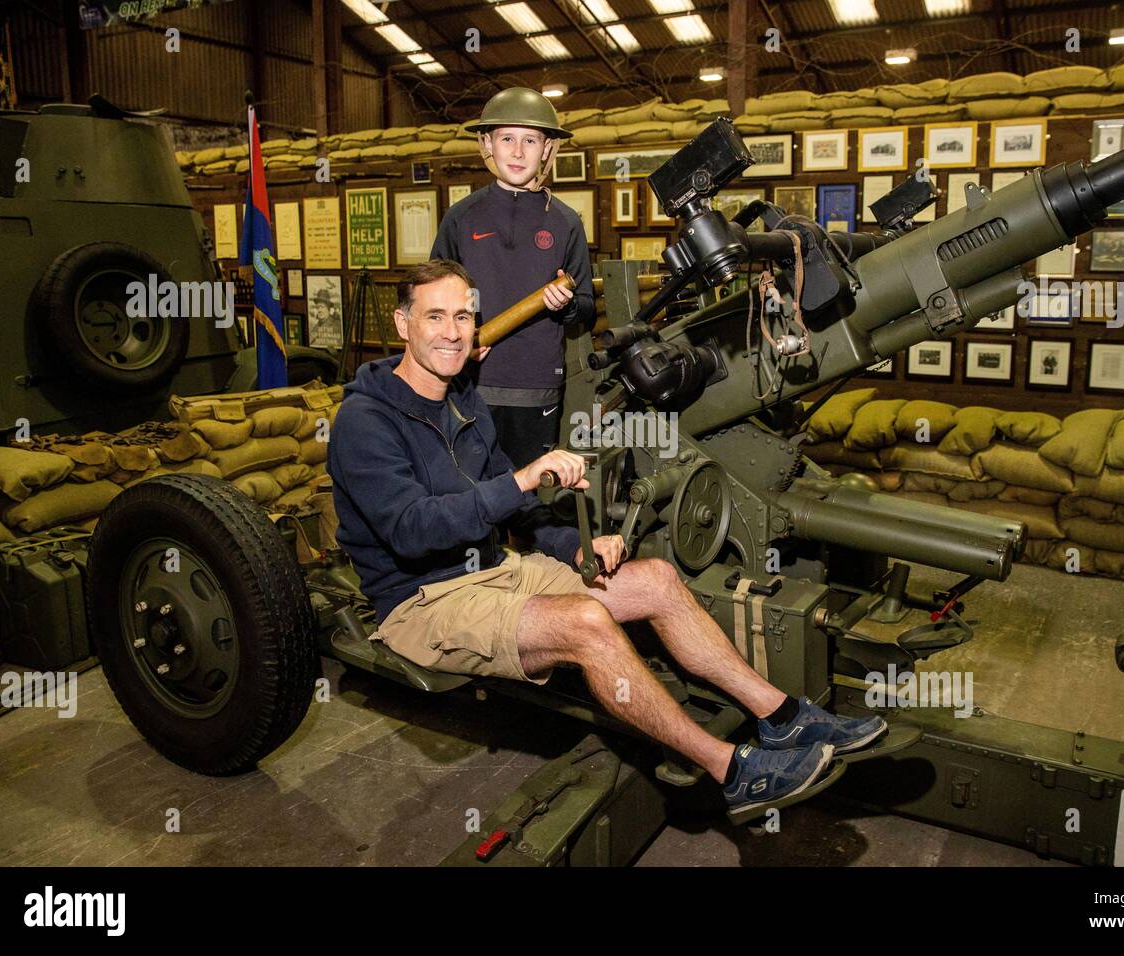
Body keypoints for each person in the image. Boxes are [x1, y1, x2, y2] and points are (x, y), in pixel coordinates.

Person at [327, 259, 887, 818]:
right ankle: (731, 769)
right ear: (403, 324)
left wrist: (573, 544)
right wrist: (521, 478)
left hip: (495, 567)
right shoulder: (364, 421)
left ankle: (784, 717)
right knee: (588, 623)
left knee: (657, 580)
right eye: (434, 317)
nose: (451, 331)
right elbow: (412, 531)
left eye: (463, 317)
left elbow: (519, 510)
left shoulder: (462, 397)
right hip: (424, 601)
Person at [430, 88, 593, 468]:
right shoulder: (461, 217)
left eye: (530, 140)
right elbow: (432, 302)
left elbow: (585, 307)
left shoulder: (566, 222)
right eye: (507, 139)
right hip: (469, 386)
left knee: (528, 504)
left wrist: (566, 305)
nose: (518, 152)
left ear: (547, 149)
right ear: (487, 143)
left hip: (537, 389)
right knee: (470, 499)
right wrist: (456, 340)